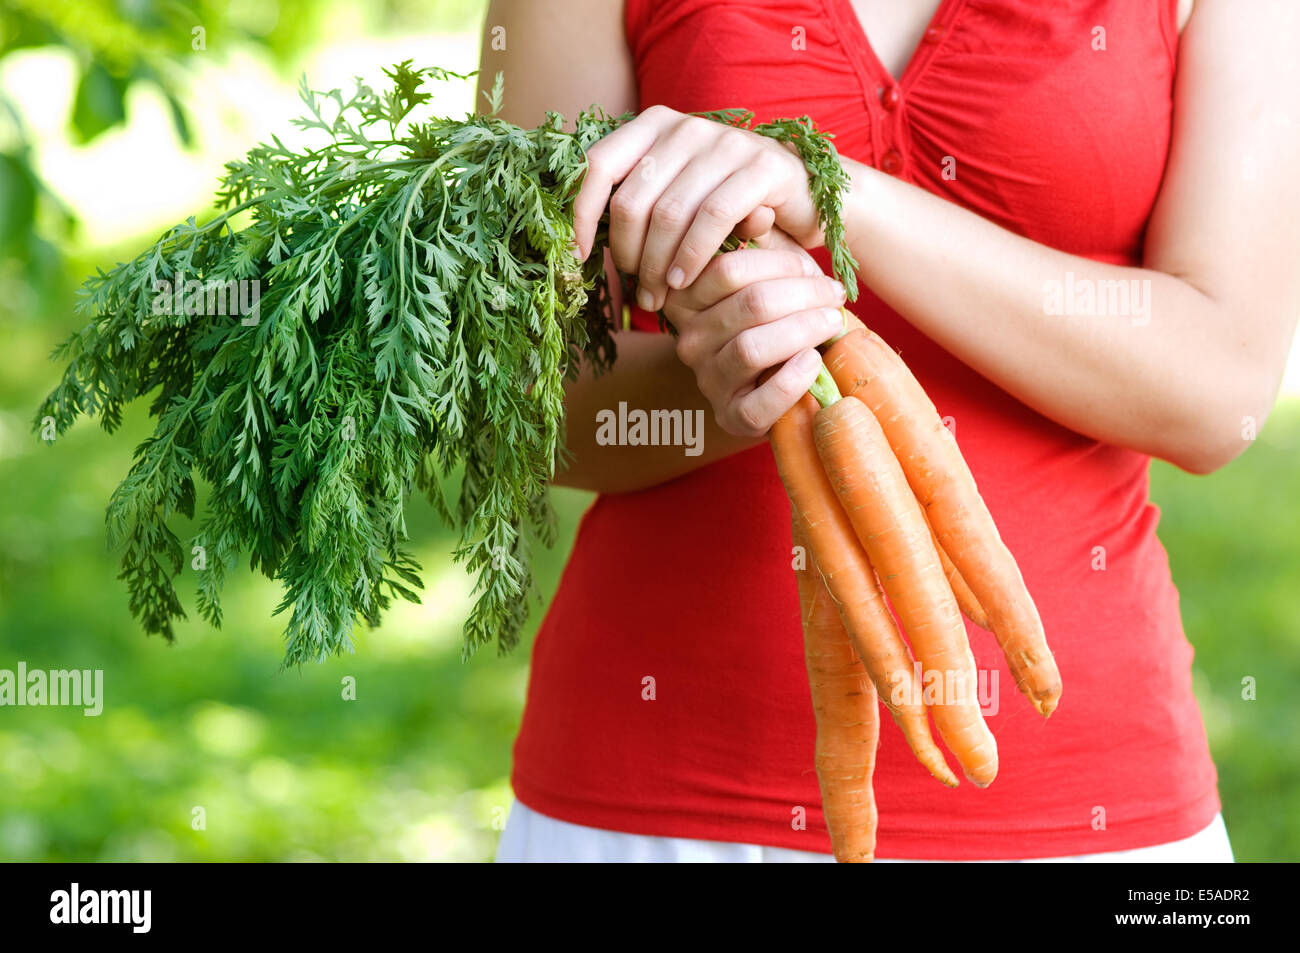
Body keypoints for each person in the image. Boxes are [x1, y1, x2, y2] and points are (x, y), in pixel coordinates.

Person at [481, 0, 1300, 862]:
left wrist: (833, 193)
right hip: (650, 795)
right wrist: (729, 381)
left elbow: (1222, 387)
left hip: (1090, 803)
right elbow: (519, 410)